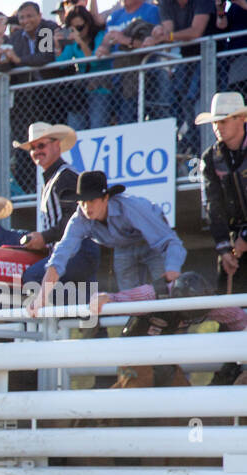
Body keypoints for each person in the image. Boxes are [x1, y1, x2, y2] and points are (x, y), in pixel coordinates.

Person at [31, 170, 187, 313]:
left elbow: (169, 241)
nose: (87, 207)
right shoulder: (79, 219)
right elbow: (60, 255)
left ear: (106, 198)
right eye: (82, 202)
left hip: (153, 245)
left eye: (91, 200)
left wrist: (172, 268)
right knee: (132, 308)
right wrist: (41, 298)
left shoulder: (131, 207)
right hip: (123, 248)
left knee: (167, 296)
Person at [88, 271, 247, 387]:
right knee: (139, 391)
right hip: (135, 351)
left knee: (177, 391)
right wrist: (104, 297)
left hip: (165, 356)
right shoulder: (151, 295)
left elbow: (238, 317)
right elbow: (117, 299)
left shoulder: (207, 302)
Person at [18, 122, 101, 290]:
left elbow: (74, 220)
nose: (36, 151)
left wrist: (44, 237)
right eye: (32, 148)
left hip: (79, 251)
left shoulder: (65, 177)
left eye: (41, 145)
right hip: (74, 252)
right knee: (84, 309)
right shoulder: (55, 178)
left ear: (57, 145)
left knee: (32, 278)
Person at [0, 3, 64, 194]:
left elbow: (45, 57)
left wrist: (18, 60)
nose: (26, 21)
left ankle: (55, 185)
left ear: (39, 15)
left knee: (49, 144)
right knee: (25, 149)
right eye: (22, 18)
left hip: (50, 98)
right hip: (24, 103)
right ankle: (30, 192)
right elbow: (3, 68)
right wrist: (2, 57)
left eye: (29, 16)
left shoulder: (47, 28)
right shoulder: (16, 37)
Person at [198, 91, 247, 291]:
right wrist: (224, 248)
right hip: (234, 242)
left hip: (240, 240)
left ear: (242, 119)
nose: (218, 127)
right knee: (227, 307)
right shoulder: (210, 158)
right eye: (215, 122)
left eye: (224, 121)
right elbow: (212, 205)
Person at [55, 7, 110, 132]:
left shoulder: (100, 36)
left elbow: (94, 62)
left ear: (88, 24)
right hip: (81, 93)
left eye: (80, 27)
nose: (78, 32)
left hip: (100, 90)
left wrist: (80, 41)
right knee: (75, 130)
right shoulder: (73, 42)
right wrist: (57, 47)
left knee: (97, 127)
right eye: (73, 29)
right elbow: (61, 63)